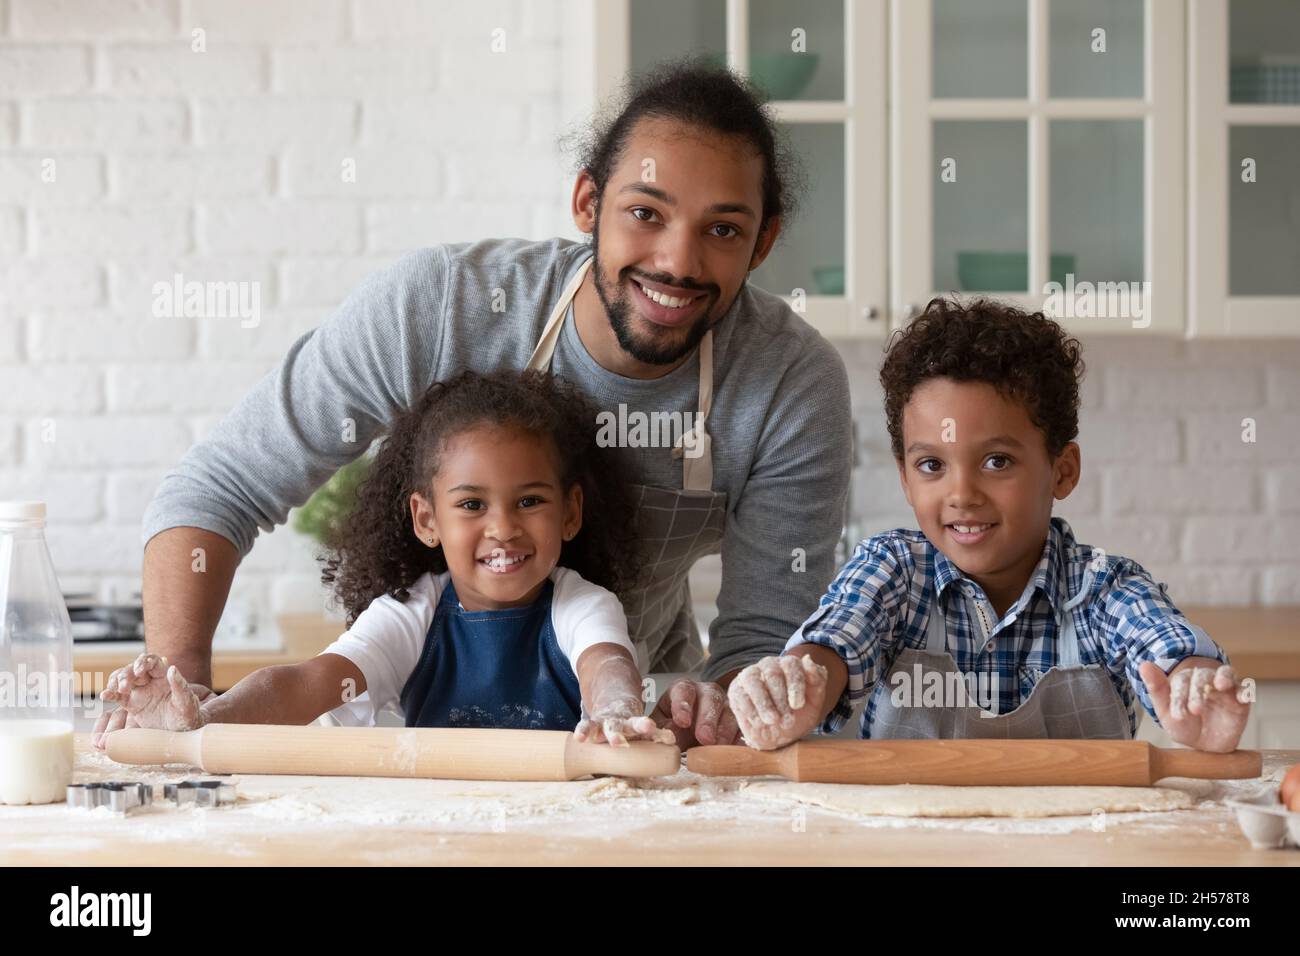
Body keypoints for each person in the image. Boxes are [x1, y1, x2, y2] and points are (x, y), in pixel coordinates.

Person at [101, 58, 853, 749]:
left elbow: (764, 642)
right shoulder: (440, 307)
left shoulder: (791, 383)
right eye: (645, 213)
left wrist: (718, 709)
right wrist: (184, 701)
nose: (677, 262)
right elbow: (219, 488)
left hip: (638, 733)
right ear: (588, 203)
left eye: (723, 230)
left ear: (763, 244)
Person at [728, 297, 1253, 753]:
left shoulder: (1104, 590)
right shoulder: (892, 573)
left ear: (1062, 470)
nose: (962, 494)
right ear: (906, 480)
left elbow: (1165, 643)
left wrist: (1196, 690)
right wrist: (796, 683)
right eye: (932, 465)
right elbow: (836, 642)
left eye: (997, 461)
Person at [95, 371, 673, 749]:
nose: (503, 527)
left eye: (530, 501)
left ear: (570, 513)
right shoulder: (411, 615)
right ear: (427, 520)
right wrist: (206, 719)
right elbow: (304, 684)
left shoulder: (580, 605)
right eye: (471, 504)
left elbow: (606, 667)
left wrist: (615, 713)